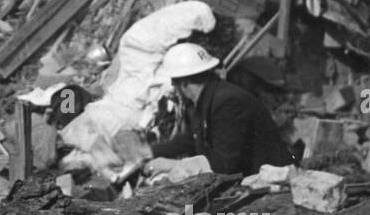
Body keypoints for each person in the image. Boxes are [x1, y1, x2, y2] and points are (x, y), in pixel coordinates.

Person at [114, 42, 293, 176]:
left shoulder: (227, 103)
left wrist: (173, 165)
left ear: (182, 83)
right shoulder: (209, 98)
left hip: (269, 178)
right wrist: (151, 152)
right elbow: (192, 139)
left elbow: (225, 164)